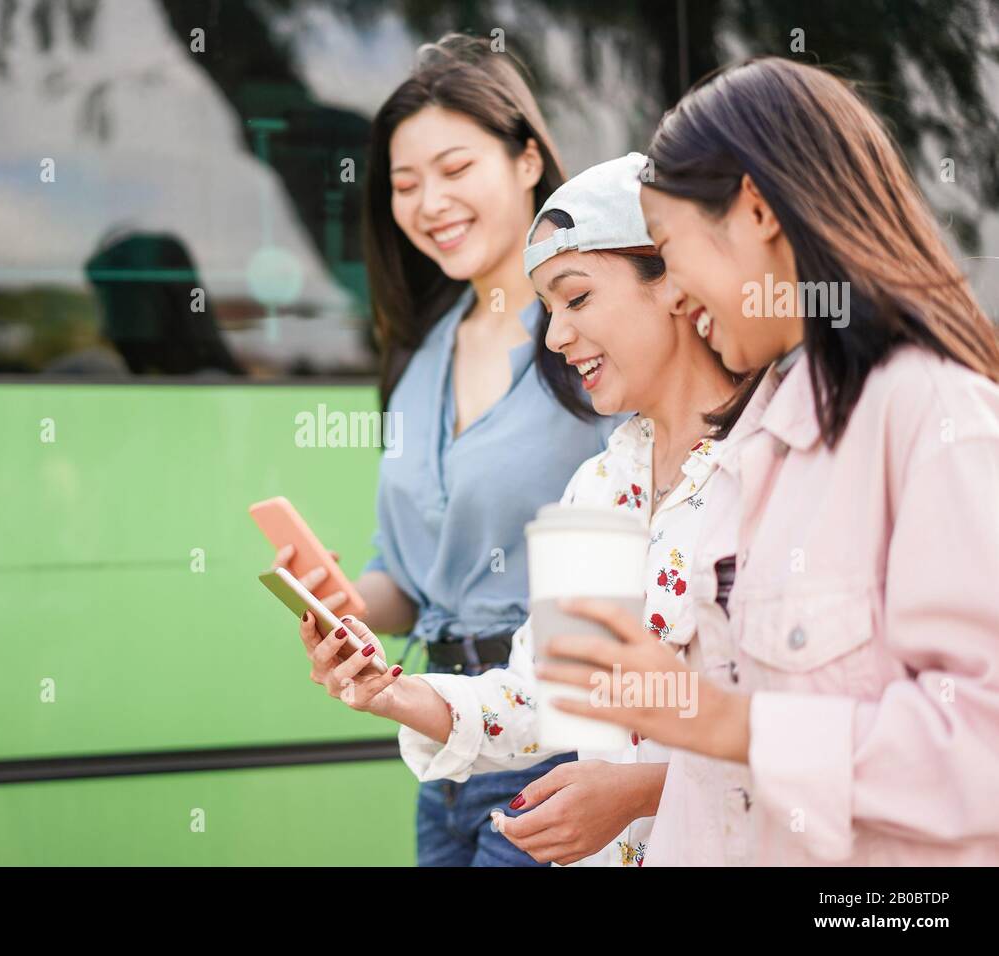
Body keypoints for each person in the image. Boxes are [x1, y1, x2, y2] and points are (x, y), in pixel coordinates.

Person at [537, 56, 999, 864]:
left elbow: (981, 744)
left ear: (755, 211)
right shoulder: (761, 441)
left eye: (671, 248)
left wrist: (719, 721)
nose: (675, 293)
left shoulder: (932, 413)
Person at [292, 153, 740, 866]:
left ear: (675, 280)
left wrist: (639, 793)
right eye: (549, 309)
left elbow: (830, 744)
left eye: (578, 298)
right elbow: (541, 700)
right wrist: (392, 692)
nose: (555, 338)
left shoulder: (780, 470)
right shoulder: (597, 487)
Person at [273, 34, 613, 867]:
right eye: (405, 183)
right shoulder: (419, 357)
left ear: (529, 159)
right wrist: (347, 605)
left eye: (456, 169)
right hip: (447, 751)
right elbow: (412, 578)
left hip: (564, 743)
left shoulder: (591, 331)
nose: (431, 202)